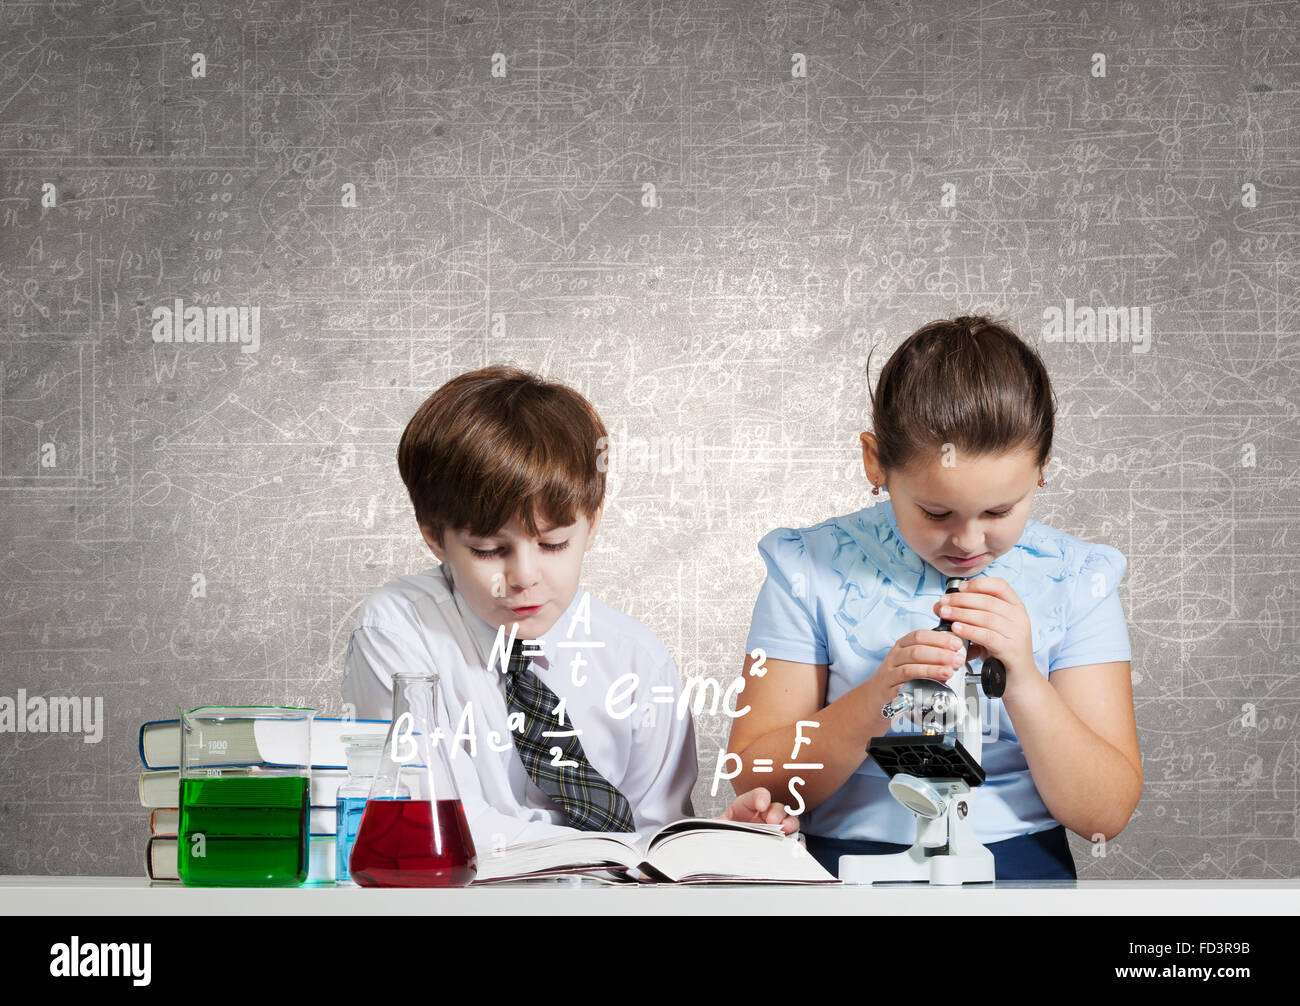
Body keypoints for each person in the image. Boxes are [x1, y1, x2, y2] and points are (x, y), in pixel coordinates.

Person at [728, 316, 1142, 880]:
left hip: (1018, 870)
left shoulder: (1077, 578)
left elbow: (1105, 813)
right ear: (876, 463)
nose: (969, 543)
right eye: (936, 513)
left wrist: (1020, 676)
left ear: (1042, 467)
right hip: (837, 871)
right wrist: (876, 698)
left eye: (999, 512)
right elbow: (756, 779)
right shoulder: (810, 567)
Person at [343, 365, 795, 855]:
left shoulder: (637, 661)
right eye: (488, 550)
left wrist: (708, 841)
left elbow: (654, 852)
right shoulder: (397, 632)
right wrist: (623, 850)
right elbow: (439, 827)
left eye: (553, 544)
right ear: (434, 537)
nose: (524, 577)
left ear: (592, 522)